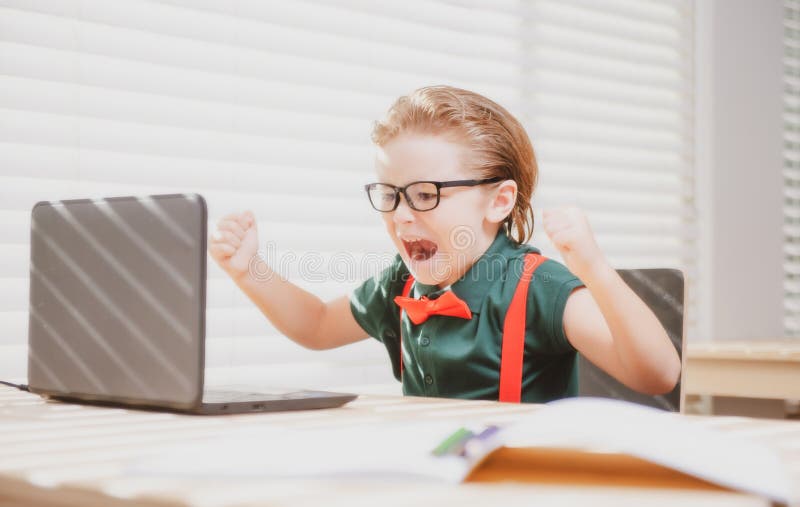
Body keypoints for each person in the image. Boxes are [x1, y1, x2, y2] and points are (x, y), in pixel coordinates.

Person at [208, 85, 681, 403]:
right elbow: (314, 325)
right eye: (390, 194)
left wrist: (594, 269)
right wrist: (251, 271)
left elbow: (657, 375)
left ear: (498, 201)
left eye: (426, 193)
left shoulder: (535, 287)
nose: (401, 214)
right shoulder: (401, 281)